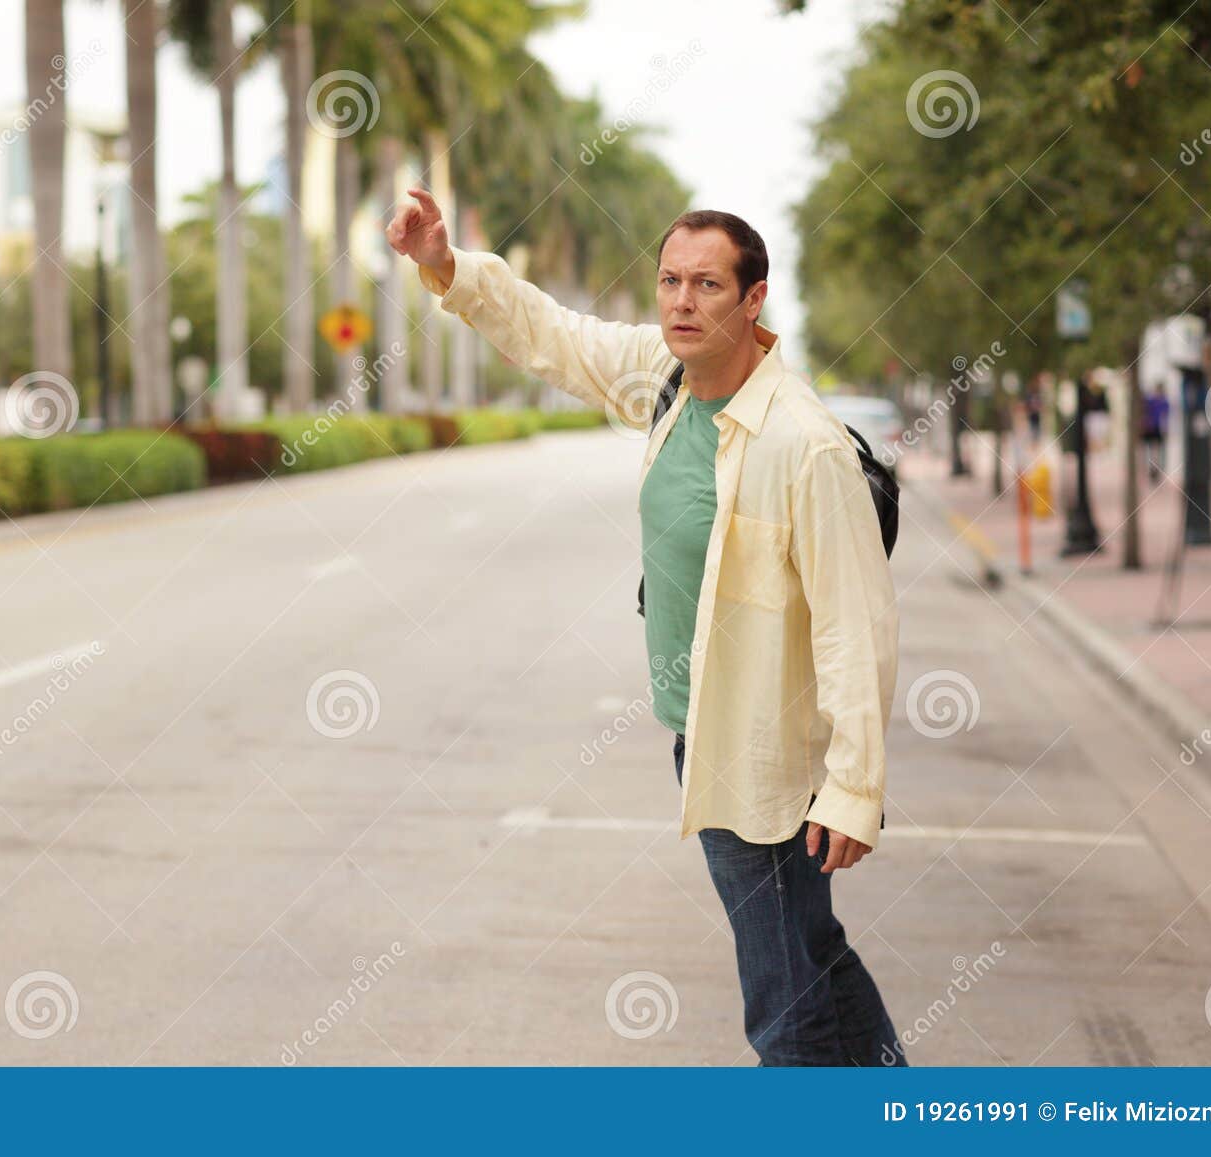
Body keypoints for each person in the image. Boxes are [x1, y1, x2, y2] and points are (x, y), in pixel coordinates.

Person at [386, 188, 906, 1067]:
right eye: (670, 281)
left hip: (764, 752)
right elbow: (550, 331)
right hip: (699, 728)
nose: (681, 302)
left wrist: (853, 786)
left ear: (754, 300)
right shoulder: (669, 381)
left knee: (783, 997)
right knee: (809, 954)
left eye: (707, 285)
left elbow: (856, 625)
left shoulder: (801, 444)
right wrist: (443, 264)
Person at [1143, 386, 1170, 483]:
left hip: (1157, 429)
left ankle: (1155, 470)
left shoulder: (1163, 402)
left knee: (1156, 451)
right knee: (1153, 451)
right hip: (1152, 429)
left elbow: (1165, 417)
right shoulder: (1151, 401)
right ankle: (1153, 470)